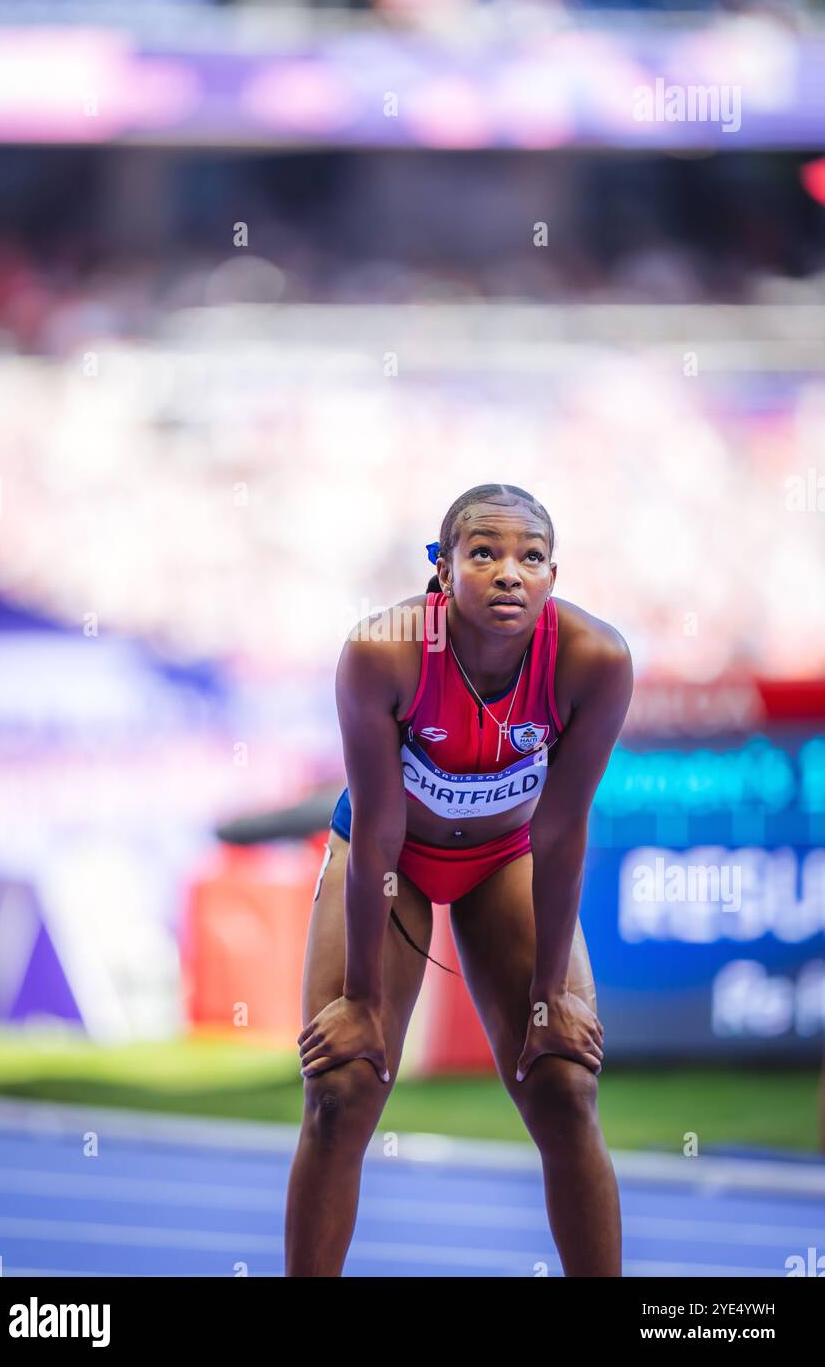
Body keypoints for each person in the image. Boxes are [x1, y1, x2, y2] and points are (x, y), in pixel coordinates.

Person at [284, 482, 634, 1276]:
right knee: (341, 1088)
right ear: (443, 570)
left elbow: (561, 831)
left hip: (505, 857)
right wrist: (363, 1002)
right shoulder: (383, 650)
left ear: (552, 576)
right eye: (484, 553)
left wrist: (550, 995)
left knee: (564, 1083)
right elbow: (377, 833)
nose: (509, 572)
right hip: (394, 858)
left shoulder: (596, 660)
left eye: (531, 557)